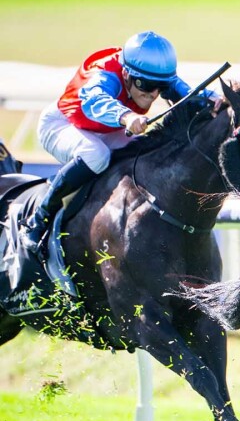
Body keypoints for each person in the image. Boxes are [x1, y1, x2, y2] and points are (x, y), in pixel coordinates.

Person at [23, 31, 221, 254]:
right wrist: (126, 117)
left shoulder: (153, 74)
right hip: (62, 124)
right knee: (95, 155)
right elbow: (95, 101)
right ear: (127, 74)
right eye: (145, 85)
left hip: (105, 130)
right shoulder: (104, 72)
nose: (154, 94)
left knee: (142, 156)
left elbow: (189, 94)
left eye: (161, 87)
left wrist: (214, 98)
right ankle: (38, 218)